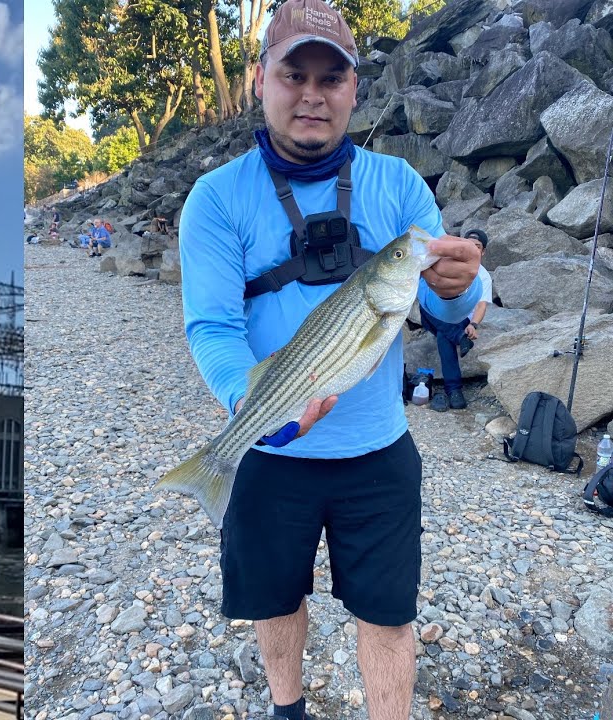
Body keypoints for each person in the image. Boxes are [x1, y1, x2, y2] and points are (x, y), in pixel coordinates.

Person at [176, 2, 483, 719]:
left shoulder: (400, 185)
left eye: (331, 77)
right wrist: (250, 407)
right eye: (295, 75)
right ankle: (288, 710)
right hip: (268, 447)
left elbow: (443, 315)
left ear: (354, 90)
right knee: (275, 599)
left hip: (379, 452)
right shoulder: (215, 198)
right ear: (261, 81)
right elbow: (212, 326)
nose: (312, 94)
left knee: (388, 613)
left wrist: (463, 288)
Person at [420, 228, 493, 412]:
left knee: (443, 336)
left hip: (461, 320)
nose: (474, 249)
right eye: (470, 245)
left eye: (477, 247)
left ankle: (453, 390)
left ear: (483, 251)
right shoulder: (446, 264)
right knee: (426, 306)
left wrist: (473, 324)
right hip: (435, 316)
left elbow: (481, 305)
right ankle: (454, 389)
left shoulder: (483, 276)